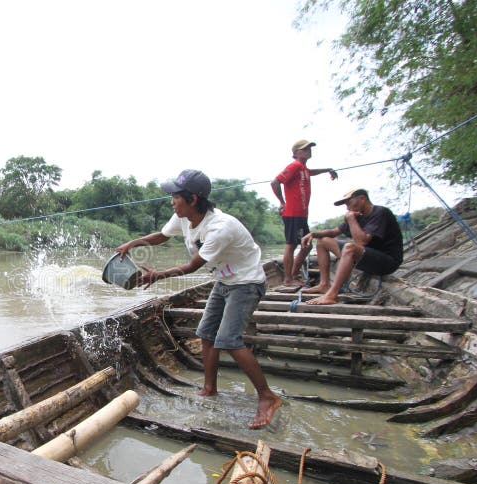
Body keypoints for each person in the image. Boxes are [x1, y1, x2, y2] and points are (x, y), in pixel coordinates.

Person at [116, 169, 282, 429]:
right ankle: (209, 387)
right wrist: (132, 243)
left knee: (229, 340)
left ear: (193, 199)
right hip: (224, 281)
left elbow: (193, 266)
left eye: (176, 196)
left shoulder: (220, 227)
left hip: (246, 283)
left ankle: (267, 397)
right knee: (206, 333)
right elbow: (162, 236)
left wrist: (158, 275)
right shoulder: (183, 216)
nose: (172, 201)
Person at [301, 188, 403, 305]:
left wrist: (350, 219)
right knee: (322, 241)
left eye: (349, 203)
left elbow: (361, 242)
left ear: (362, 199)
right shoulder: (357, 216)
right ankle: (324, 284)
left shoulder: (380, 212)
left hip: (388, 262)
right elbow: (334, 232)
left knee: (350, 248)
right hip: (368, 258)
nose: (347, 208)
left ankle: (332, 295)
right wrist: (313, 234)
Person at [270, 140, 338, 289]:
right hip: (292, 213)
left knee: (306, 245)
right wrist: (282, 202)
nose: (308, 151)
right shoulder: (294, 166)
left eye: (309, 149)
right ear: (296, 153)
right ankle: (288, 279)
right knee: (291, 245)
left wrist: (327, 170)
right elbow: (275, 182)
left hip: (301, 215)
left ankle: (293, 275)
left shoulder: (303, 169)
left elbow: (311, 172)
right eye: (304, 149)